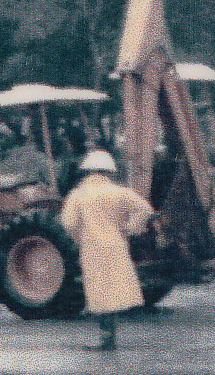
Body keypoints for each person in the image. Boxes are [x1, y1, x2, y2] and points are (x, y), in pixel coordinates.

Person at [58, 150, 154, 352]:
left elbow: (69, 223)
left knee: (98, 292)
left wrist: (78, 237)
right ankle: (109, 338)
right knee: (113, 291)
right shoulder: (118, 192)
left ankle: (106, 339)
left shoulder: (79, 194)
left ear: (87, 172)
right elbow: (145, 209)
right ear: (108, 172)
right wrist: (131, 228)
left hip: (92, 247)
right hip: (116, 245)